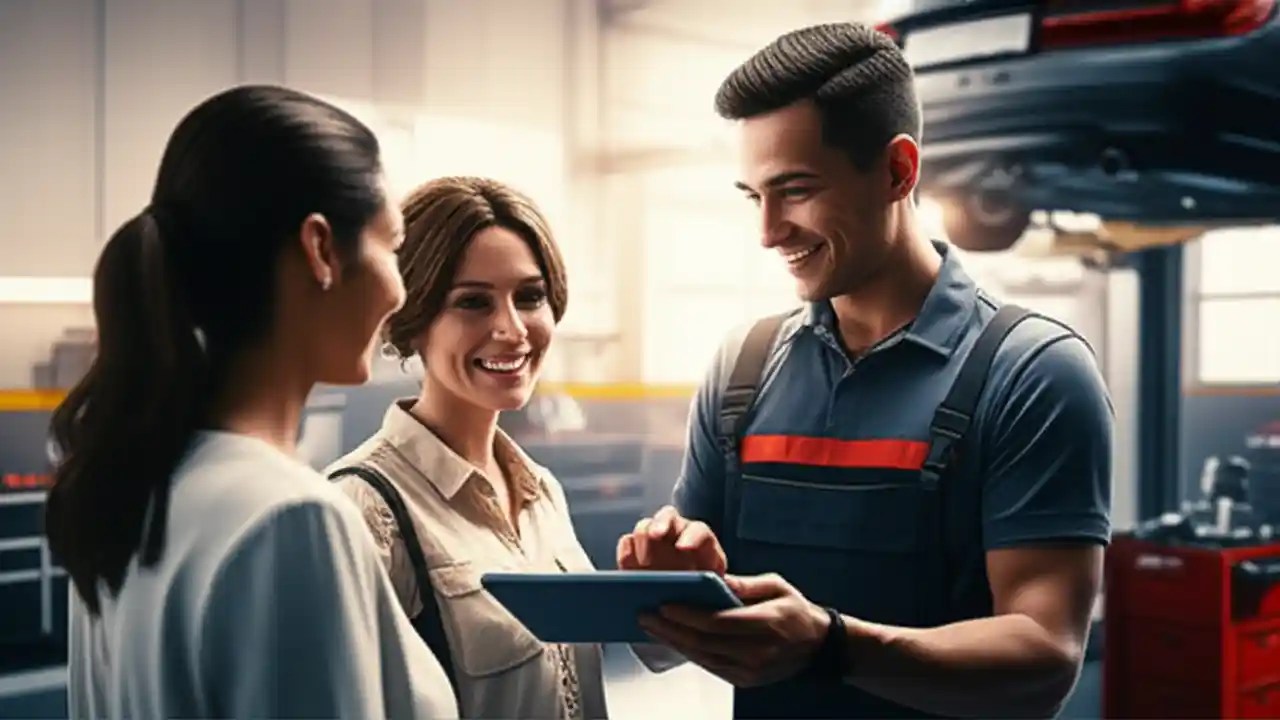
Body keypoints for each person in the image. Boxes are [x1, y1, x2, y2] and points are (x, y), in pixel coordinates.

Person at [616, 22, 1114, 720]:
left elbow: (1044, 655)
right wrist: (664, 598)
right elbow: (669, 649)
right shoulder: (741, 370)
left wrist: (831, 645)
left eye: (795, 189)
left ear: (898, 171)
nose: (767, 231)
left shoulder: (1032, 374)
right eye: (751, 195)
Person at [45, 85, 456, 719]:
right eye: (394, 247)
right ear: (321, 249)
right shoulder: (291, 518)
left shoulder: (127, 494)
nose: (400, 292)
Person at [326, 176, 608, 720]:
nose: (512, 329)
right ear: (412, 323)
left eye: (529, 297)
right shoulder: (365, 512)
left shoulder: (542, 492)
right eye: (473, 303)